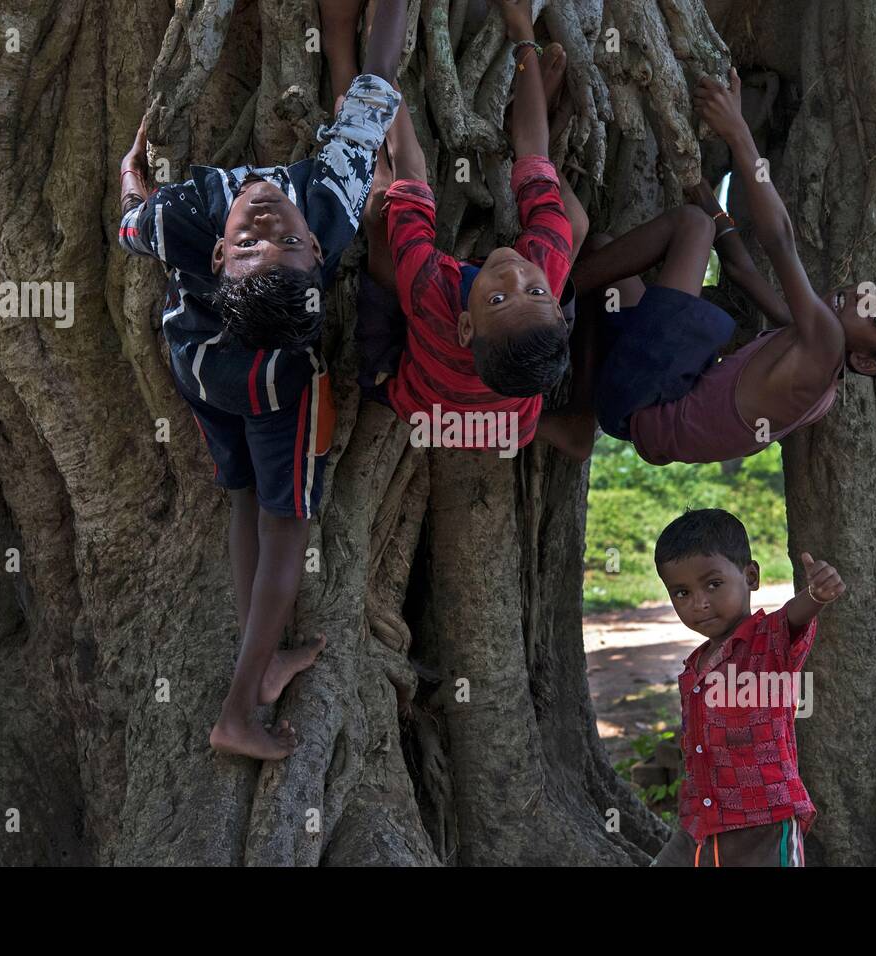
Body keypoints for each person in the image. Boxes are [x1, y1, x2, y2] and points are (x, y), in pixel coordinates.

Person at [115, 0, 408, 760]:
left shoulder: (190, 215)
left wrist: (129, 185)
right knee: (285, 525)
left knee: (249, 500)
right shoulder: (332, 198)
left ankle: (256, 672)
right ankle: (240, 705)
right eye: (256, 239)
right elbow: (374, 86)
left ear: (319, 248)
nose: (269, 220)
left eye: (273, 238)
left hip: (210, 377)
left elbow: (130, 222)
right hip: (262, 385)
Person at [563, 66, 876, 465]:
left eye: (874, 317)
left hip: (647, 400)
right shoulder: (810, 358)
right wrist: (701, 190)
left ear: (866, 361)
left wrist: (737, 130)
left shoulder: (825, 345)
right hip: (637, 402)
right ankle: (577, 420)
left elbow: (779, 240)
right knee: (607, 258)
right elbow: (741, 268)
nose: (861, 298)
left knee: (691, 227)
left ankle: (551, 294)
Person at [358, 0, 589, 457]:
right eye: (538, 292)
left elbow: (411, 164)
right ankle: (527, 103)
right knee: (572, 223)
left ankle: (346, 64)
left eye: (500, 297)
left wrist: (381, 71)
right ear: (557, 312)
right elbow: (534, 155)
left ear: (465, 327)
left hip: (421, 404)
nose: (514, 276)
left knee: (381, 210)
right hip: (512, 426)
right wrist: (522, 33)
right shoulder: (541, 275)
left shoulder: (431, 293)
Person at [649, 508, 845, 866]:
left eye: (713, 584)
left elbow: (793, 616)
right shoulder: (695, 665)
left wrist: (815, 595)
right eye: (681, 593)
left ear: (750, 576)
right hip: (701, 824)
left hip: (764, 823)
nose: (699, 603)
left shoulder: (768, 642)